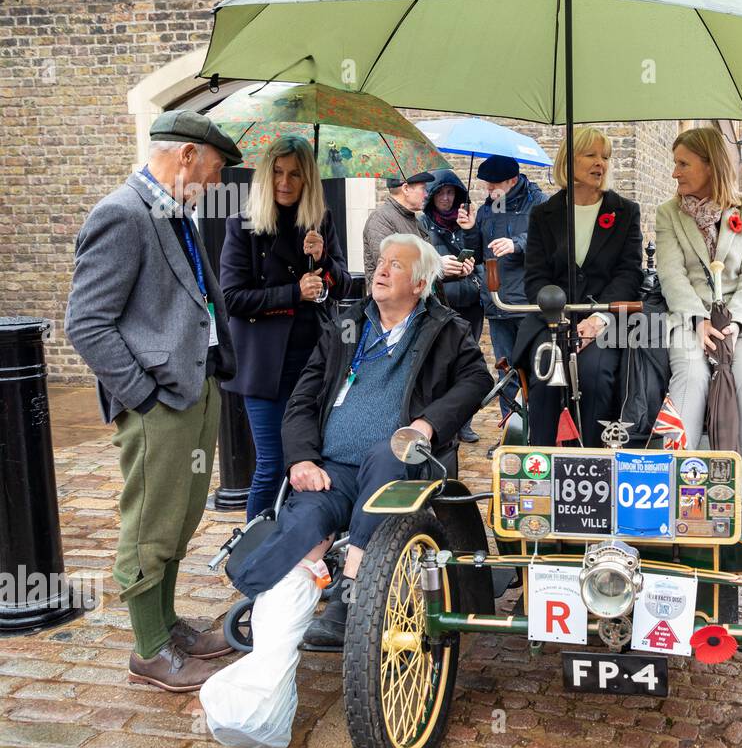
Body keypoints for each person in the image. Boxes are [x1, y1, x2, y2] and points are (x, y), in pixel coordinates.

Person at [226, 234, 494, 648]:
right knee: (306, 520)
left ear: (420, 285)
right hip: (332, 469)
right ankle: (278, 606)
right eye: (381, 262)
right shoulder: (346, 325)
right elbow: (302, 399)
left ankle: (351, 593)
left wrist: (426, 425)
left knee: (386, 453)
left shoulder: (445, 329)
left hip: (400, 463)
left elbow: (478, 379)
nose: (382, 270)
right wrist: (301, 460)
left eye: (396, 265)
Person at [65, 110, 242, 692]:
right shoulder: (122, 213)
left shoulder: (175, 214)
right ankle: (149, 650)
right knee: (148, 525)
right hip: (158, 404)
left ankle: (167, 627)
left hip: (196, 388)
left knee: (181, 516)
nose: (215, 184)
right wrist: (142, 396)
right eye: (214, 169)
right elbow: (88, 324)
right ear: (187, 156)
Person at [653, 126, 742, 536]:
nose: (675, 173)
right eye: (675, 163)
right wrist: (698, 320)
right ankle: (678, 483)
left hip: (740, 322)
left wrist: (736, 323)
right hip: (688, 317)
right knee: (691, 374)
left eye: (683, 163)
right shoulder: (668, 214)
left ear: (710, 165)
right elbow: (671, 274)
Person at [220, 135, 352, 521]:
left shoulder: (318, 221)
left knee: (311, 457)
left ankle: (299, 540)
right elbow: (233, 298)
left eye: (295, 174)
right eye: (277, 172)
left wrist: (322, 258)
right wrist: (293, 293)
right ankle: (257, 551)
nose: (285, 181)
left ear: (308, 178)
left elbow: (343, 284)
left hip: (313, 360)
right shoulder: (243, 224)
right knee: (274, 464)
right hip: (264, 365)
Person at [515, 127, 643, 447]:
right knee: (546, 372)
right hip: (552, 318)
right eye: (591, 155)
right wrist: (554, 314)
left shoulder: (626, 212)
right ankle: (543, 461)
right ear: (568, 161)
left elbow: (628, 274)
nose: (601, 163)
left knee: (594, 374)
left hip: (605, 320)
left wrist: (599, 318)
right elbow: (535, 277)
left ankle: (594, 461)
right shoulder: (543, 214)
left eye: (606, 157)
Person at [474, 155, 546, 432]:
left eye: (494, 185)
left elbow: (548, 239)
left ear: (512, 181)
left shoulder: (539, 203)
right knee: (506, 373)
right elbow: (478, 249)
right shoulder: (486, 209)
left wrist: (517, 244)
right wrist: (468, 230)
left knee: (536, 370)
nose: (488, 190)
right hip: (497, 302)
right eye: (486, 185)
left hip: (529, 305)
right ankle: (511, 433)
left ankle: (538, 431)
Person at [420, 169, 484, 443]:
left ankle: (464, 422)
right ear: (432, 197)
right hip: (442, 302)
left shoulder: (466, 222)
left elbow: (480, 253)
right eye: (441, 193)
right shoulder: (422, 224)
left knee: (468, 363)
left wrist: (470, 235)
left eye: (451, 193)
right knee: (441, 364)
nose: (446, 198)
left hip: (469, 301)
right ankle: (442, 421)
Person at [360, 171, 436, 287]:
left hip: (414, 302)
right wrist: (438, 266)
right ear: (405, 189)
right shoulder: (380, 219)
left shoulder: (413, 219)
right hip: (395, 304)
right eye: (423, 188)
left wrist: (451, 271)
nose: (426, 194)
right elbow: (391, 267)